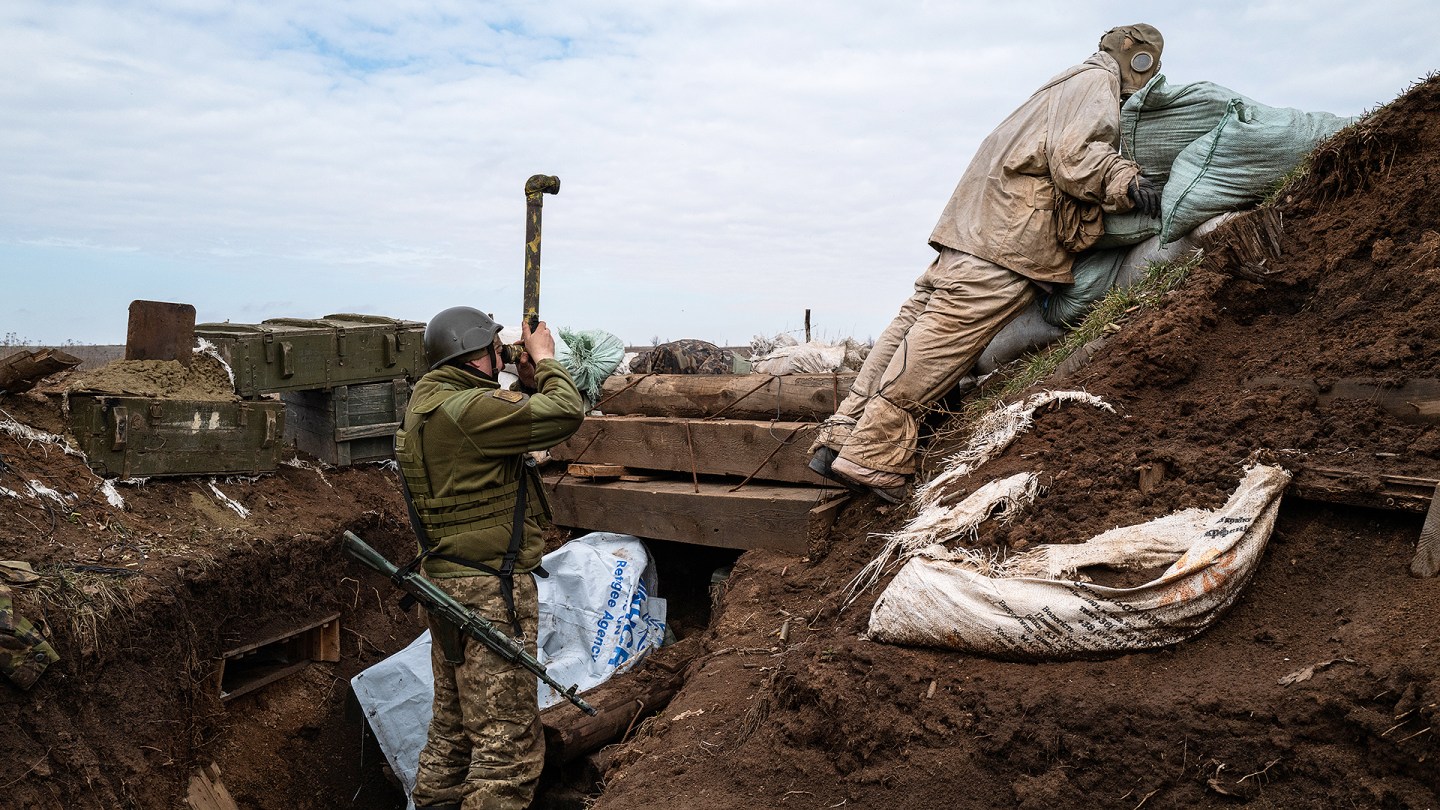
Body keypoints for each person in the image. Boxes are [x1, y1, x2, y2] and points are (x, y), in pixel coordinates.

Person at [809, 24, 1164, 503]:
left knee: (910, 328)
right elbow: (1076, 156)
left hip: (969, 230)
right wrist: (1124, 181)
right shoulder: (1096, 85)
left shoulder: (1056, 85)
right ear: (1140, 61)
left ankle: (839, 437)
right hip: (1007, 240)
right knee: (942, 345)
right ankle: (872, 456)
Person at [396, 306, 585, 810]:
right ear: (474, 355)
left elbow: (495, 432)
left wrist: (521, 386)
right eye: (496, 350)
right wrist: (545, 362)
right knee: (508, 751)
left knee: (454, 731)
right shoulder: (471, 411)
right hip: (487, 592)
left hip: (446, 585)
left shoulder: (431, 401)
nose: (503, 356)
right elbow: (566, 412)